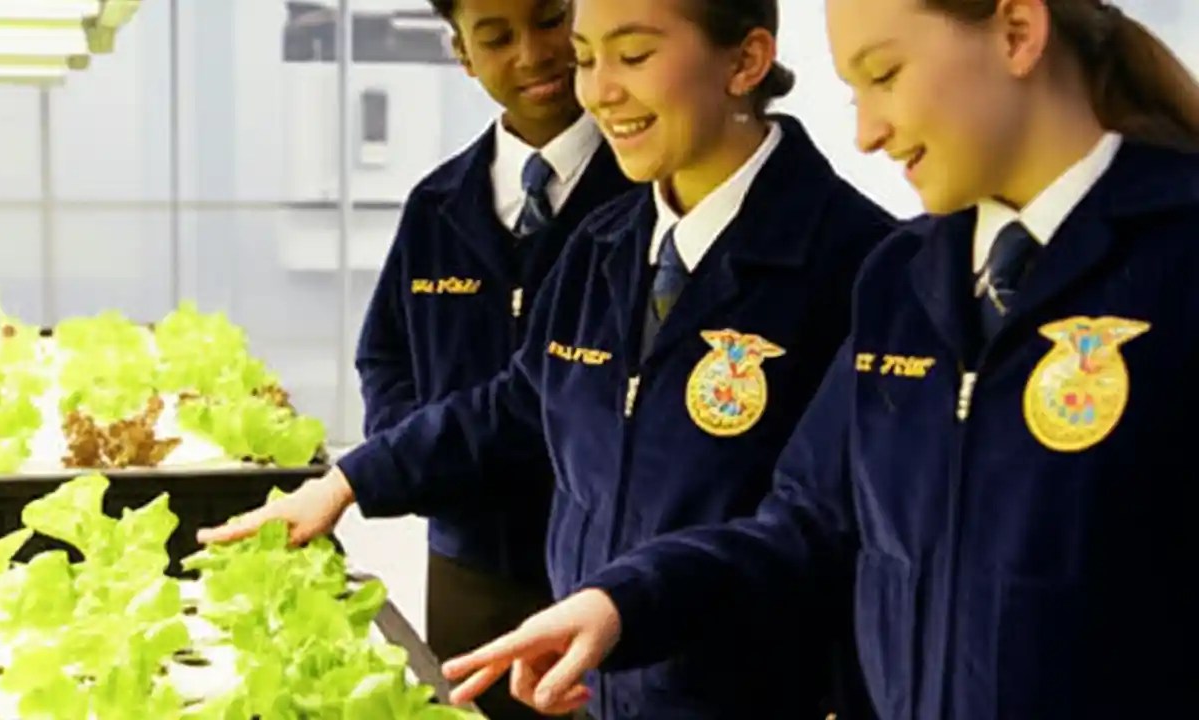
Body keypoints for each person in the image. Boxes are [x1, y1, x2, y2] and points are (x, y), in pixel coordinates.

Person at [439, 1, 1199, 718]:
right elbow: (811, 522)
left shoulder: (1178, 261)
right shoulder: (903, 280)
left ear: (1017, 32)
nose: (867, 132)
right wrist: (620, 604)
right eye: (852, 91)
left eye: (886, 75)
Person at [201, 0, 894, 717]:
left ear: (746, 62)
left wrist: (623, 604)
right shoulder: (602, 248)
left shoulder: (860, 266)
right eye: (589, 57)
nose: (597, 90)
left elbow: (820, 528)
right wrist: (347, 481)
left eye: (633, 56)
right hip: (600, 684)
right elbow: (520, 403)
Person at [347, 1, 634, 717]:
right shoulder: (438, 204)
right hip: (468, 567)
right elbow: (384, 352)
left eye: (550, 21)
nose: (534, 54)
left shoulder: (644, 196)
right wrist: (412, 451)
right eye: (497, 38)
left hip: (604, 568)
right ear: (463, 56)